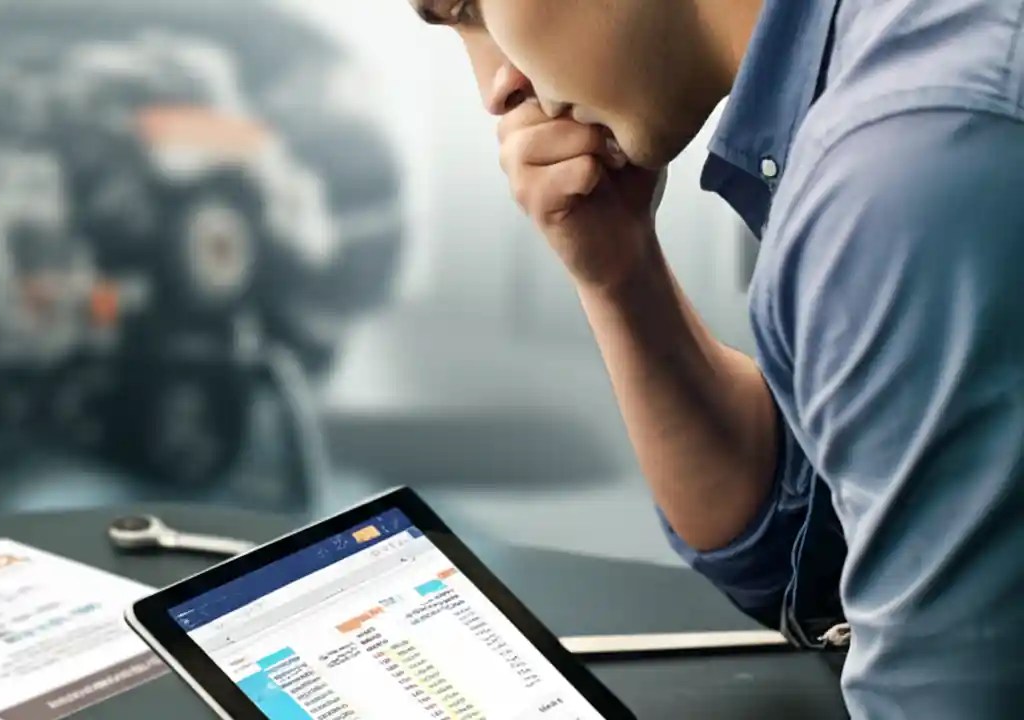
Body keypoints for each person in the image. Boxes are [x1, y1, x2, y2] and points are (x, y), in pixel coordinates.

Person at [406, 0, 1024, 717]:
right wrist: (621, 273)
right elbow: (811, 556)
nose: (496, 88)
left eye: (468, 7)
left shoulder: (900, 171)